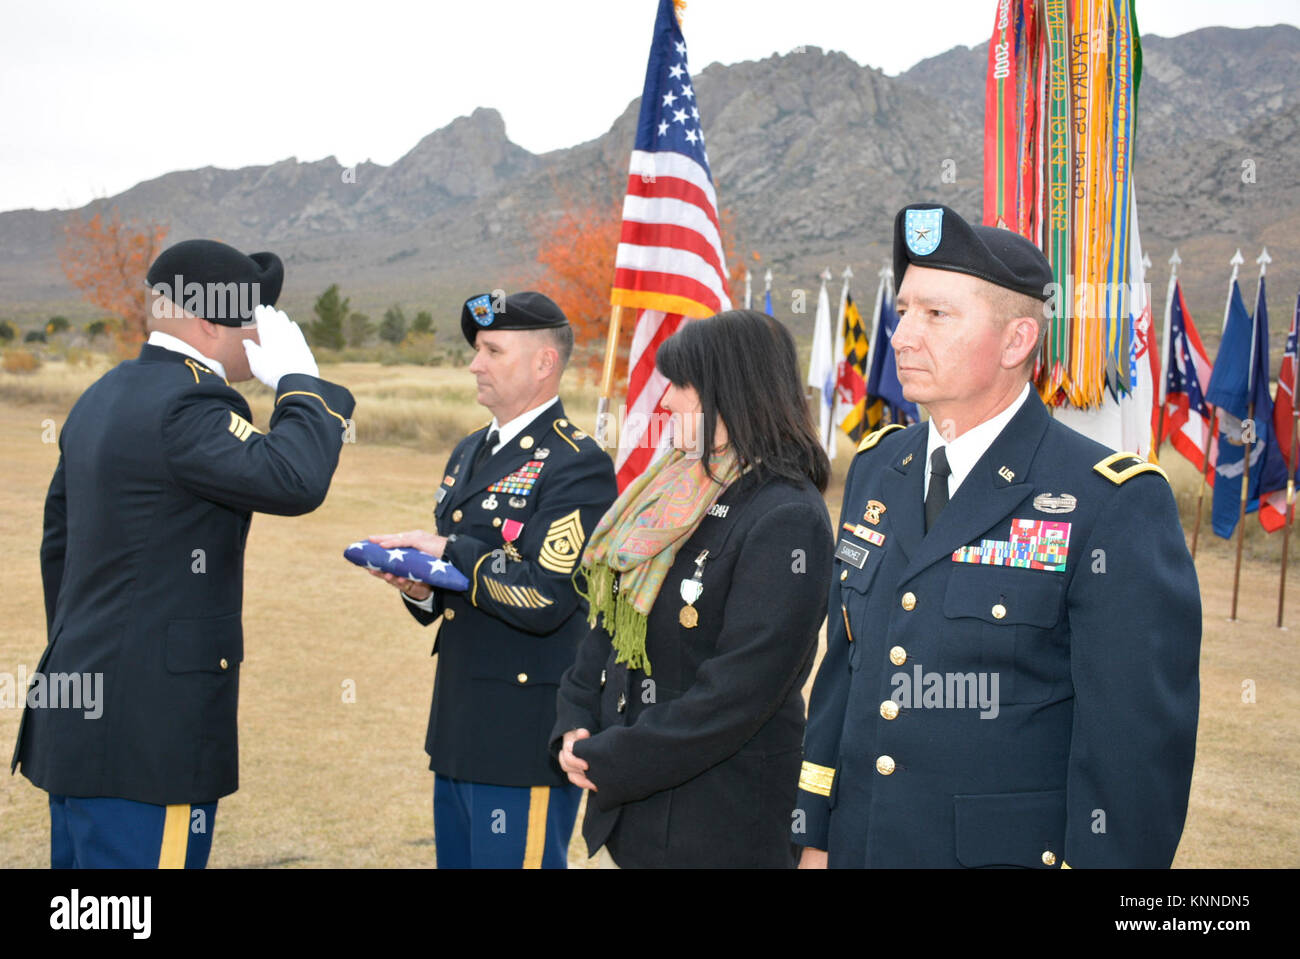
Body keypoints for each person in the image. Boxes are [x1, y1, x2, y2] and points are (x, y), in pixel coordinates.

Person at [794, 204, 1201, 869]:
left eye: (937, 314)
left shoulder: (1108, 502)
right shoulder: (878, 469)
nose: (902, 336)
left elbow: (1133, 755)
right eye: (905, 310)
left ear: (1016, 342)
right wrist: (812, 833)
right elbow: (845, 671)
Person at [12, 238, 355, 868]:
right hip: (147, 738)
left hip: (84, 720)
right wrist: (302, 382)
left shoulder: (104, 394)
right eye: (255, 315)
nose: (264, 331)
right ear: (208, 323)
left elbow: (58, 545)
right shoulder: (191, 403)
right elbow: (295, 480)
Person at [551, 310, 834, 868]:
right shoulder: (671, 490)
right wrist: (575, 716)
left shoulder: (785, 515)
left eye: (683, 385)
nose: (669, 401)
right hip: (641, 817)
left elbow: (736, 693)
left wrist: (612, 756)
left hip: (721, 825)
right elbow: (610, 622)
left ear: (733, 389)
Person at [367, 290, 616, 869]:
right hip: (459, 722)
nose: (474, 364)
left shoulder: (576, 463)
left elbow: (546, 596)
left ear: (543, 363)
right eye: (477, 350)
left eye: (491, 350)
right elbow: (461, 585)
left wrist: (452, 550)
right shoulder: (470, 449)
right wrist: (422, 588)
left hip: (521, 733)